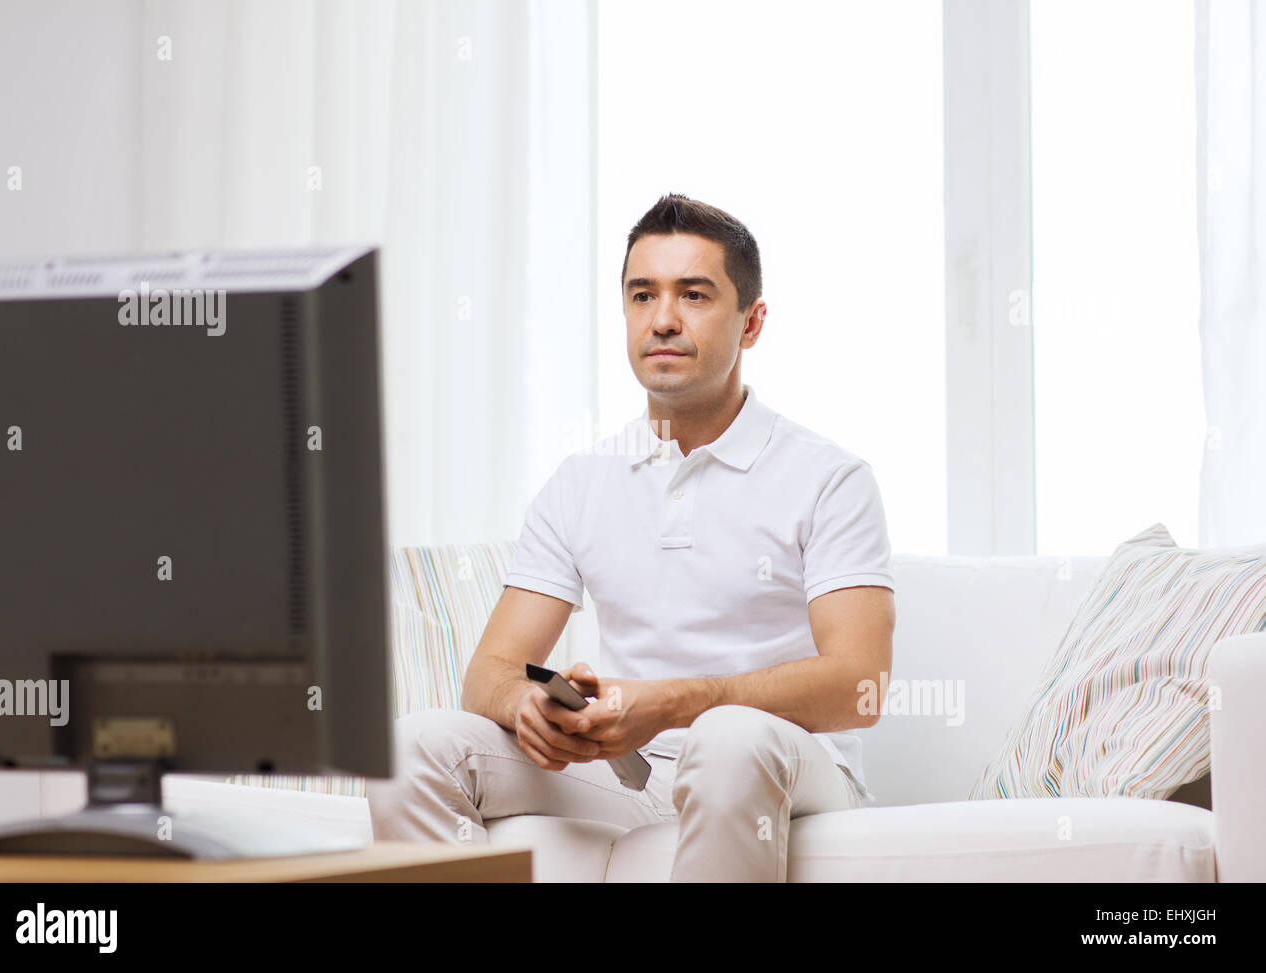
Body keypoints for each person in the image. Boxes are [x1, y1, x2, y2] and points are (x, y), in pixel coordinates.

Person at [368, 193, 896, 881]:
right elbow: (490, 671)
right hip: (638, 776)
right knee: (413, 746)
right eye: (642, 295)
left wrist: (670, 702)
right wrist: (527, 704)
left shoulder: (829, 477)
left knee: (728, 738)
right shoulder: (583, 480)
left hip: (791, 767)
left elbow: (861, 683)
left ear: (753, 321)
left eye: (695, 294)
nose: (664, 319)